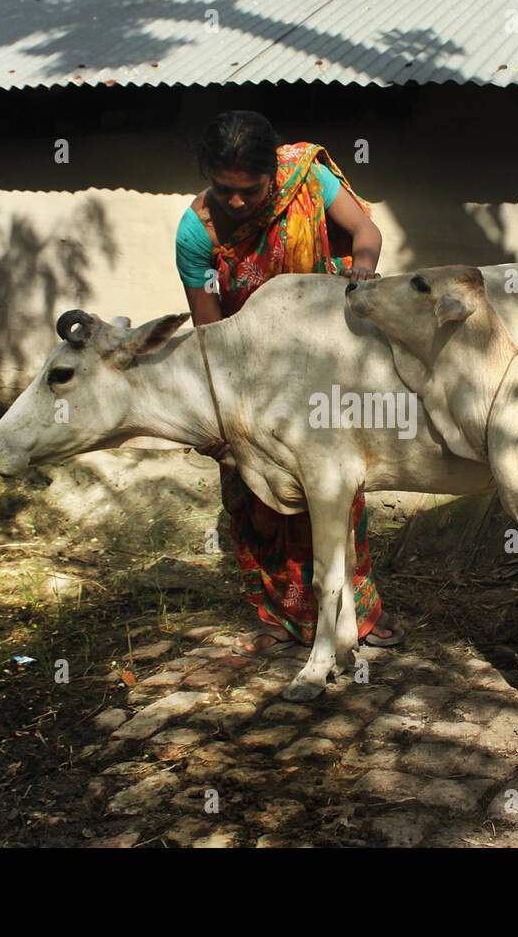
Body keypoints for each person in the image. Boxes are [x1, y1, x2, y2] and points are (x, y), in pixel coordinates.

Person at [174, 110, 403, 657]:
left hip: (319, 365)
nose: (236, 204)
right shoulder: (195, 234)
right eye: (224, 191)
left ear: (272, 175)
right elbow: (211, 336)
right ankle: (278, 613)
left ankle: (356, 613)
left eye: (248, 191)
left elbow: (364, 231)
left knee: (334, 492)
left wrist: (363, 273)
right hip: (248, 380)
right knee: (256, 500)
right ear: (208, 176)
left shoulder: (305, 177)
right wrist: (220, 417)